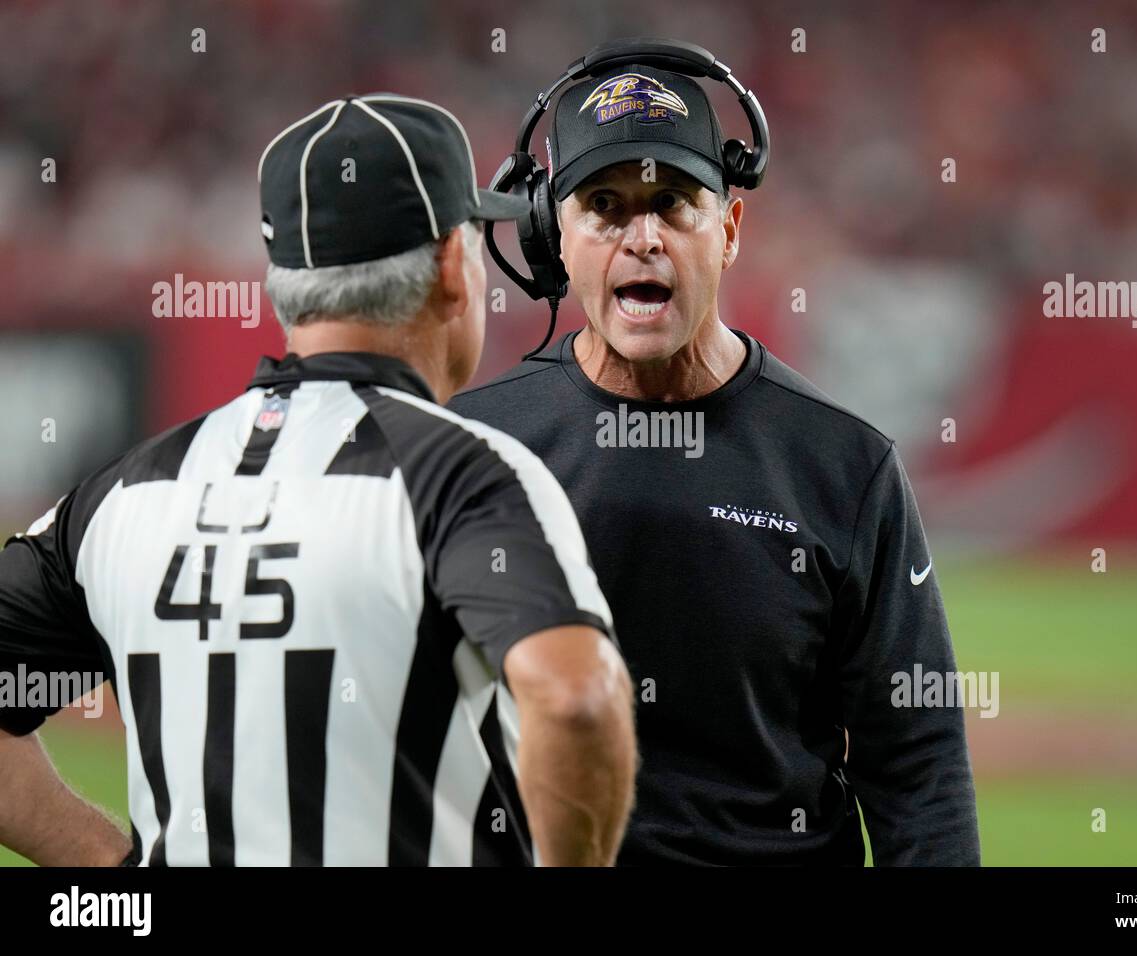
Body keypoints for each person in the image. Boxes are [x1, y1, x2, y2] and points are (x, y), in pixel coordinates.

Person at [0, 94, 636, 867]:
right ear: (450, 268)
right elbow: (575, 699)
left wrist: (110, 871)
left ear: (284, 282)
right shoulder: (466, 478)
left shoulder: (122, 495)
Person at [451, 58, 980, 865]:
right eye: (604, 207)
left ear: (729, 231)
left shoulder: (844, 465)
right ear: (556, 237)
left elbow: (918, 768)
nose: (643, 237)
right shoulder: (475, 449)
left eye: (671, 203)